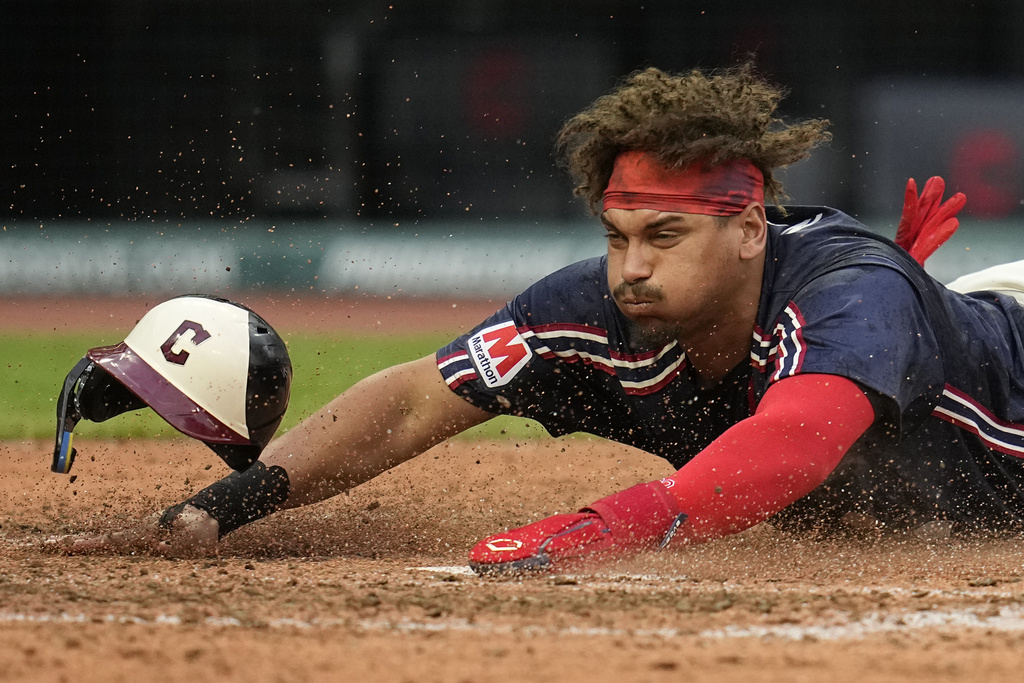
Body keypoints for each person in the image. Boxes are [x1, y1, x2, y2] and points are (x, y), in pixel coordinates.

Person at [62, 65, 1024, 574]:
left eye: (665, 234)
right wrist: (226, 507)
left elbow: (795, 442)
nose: (632, 266)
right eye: (617, 235)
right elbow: (412, 399)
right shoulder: (596, 312)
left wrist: (607, 525)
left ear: (747, 225)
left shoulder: (847, 291)